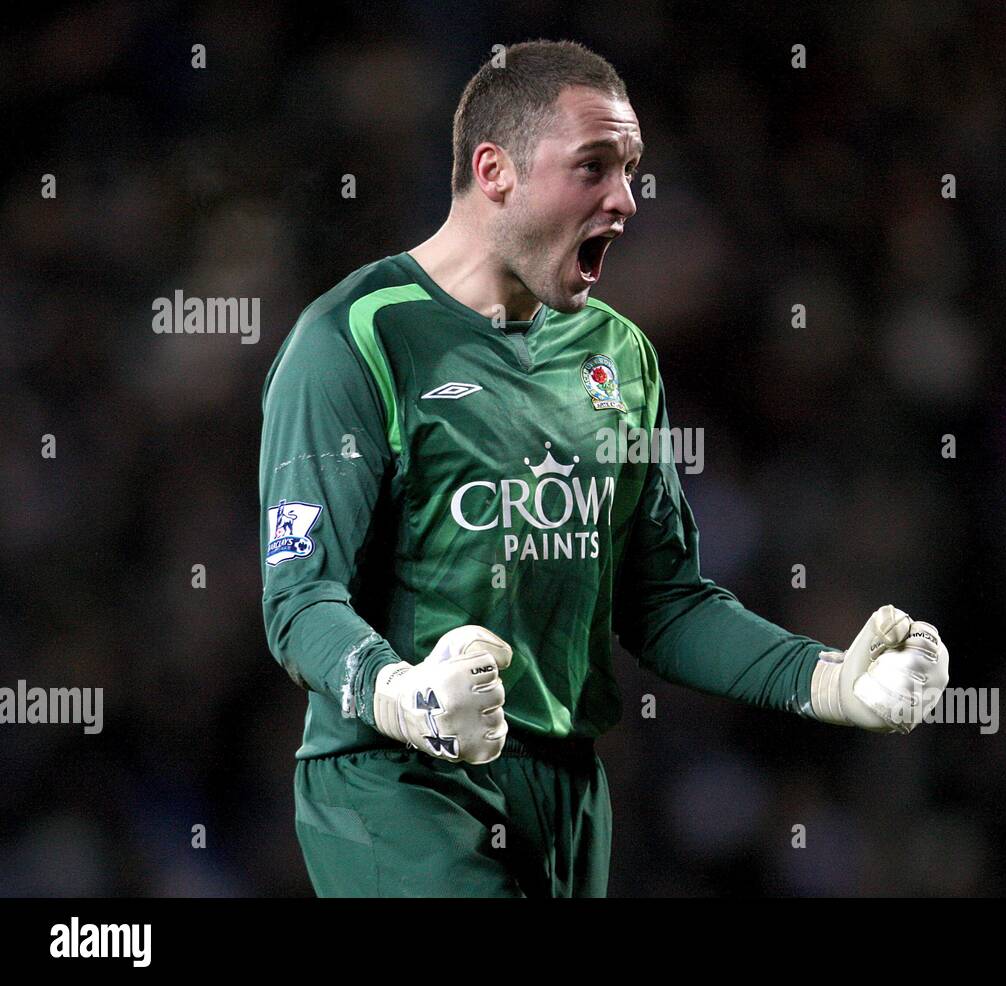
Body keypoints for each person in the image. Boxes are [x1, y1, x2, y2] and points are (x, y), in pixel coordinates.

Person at [258, 38, 950, 898]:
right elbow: (299, 600)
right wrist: (402, 693)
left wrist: (826, 679)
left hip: (569, 794)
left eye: (630, 169)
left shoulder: (619, 356)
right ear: (495, 169)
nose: (626, 199)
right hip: (394, 780)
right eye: (594, 167)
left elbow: (662, 599)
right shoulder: (353, 339)